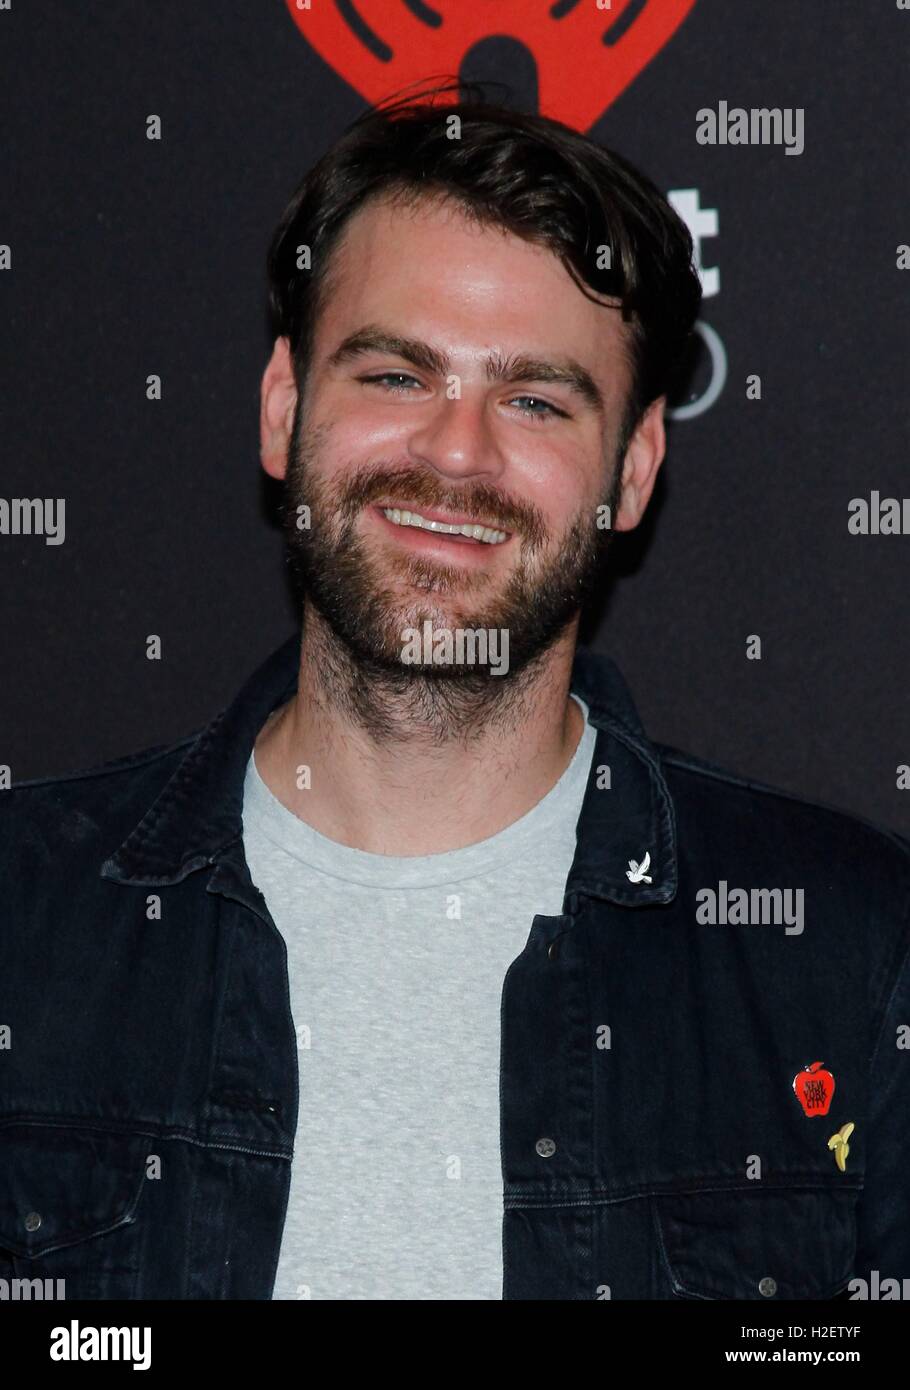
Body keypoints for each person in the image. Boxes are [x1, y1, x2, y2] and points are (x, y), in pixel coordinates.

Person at [2, 85, 908, 1302]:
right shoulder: (24, 924)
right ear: (283, 410)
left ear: (631, 470)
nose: (456, 453)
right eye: (394, 375)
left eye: (533, 399)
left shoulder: (846, 955)